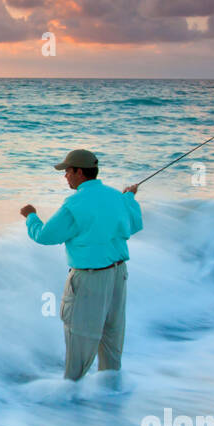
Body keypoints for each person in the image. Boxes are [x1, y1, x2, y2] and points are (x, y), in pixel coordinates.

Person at [20, 149, 142, 380]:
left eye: (67, 171)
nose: (65, 176)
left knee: (79, 342)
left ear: (79, 171)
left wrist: (31, 216)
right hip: (118, 276)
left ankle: (71, 397)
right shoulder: (116, 196)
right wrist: (129, 197)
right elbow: (133, 225)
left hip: (89, 279)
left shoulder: (74, 203)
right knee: (111, 340)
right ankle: (110, 393)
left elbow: (46, 236)